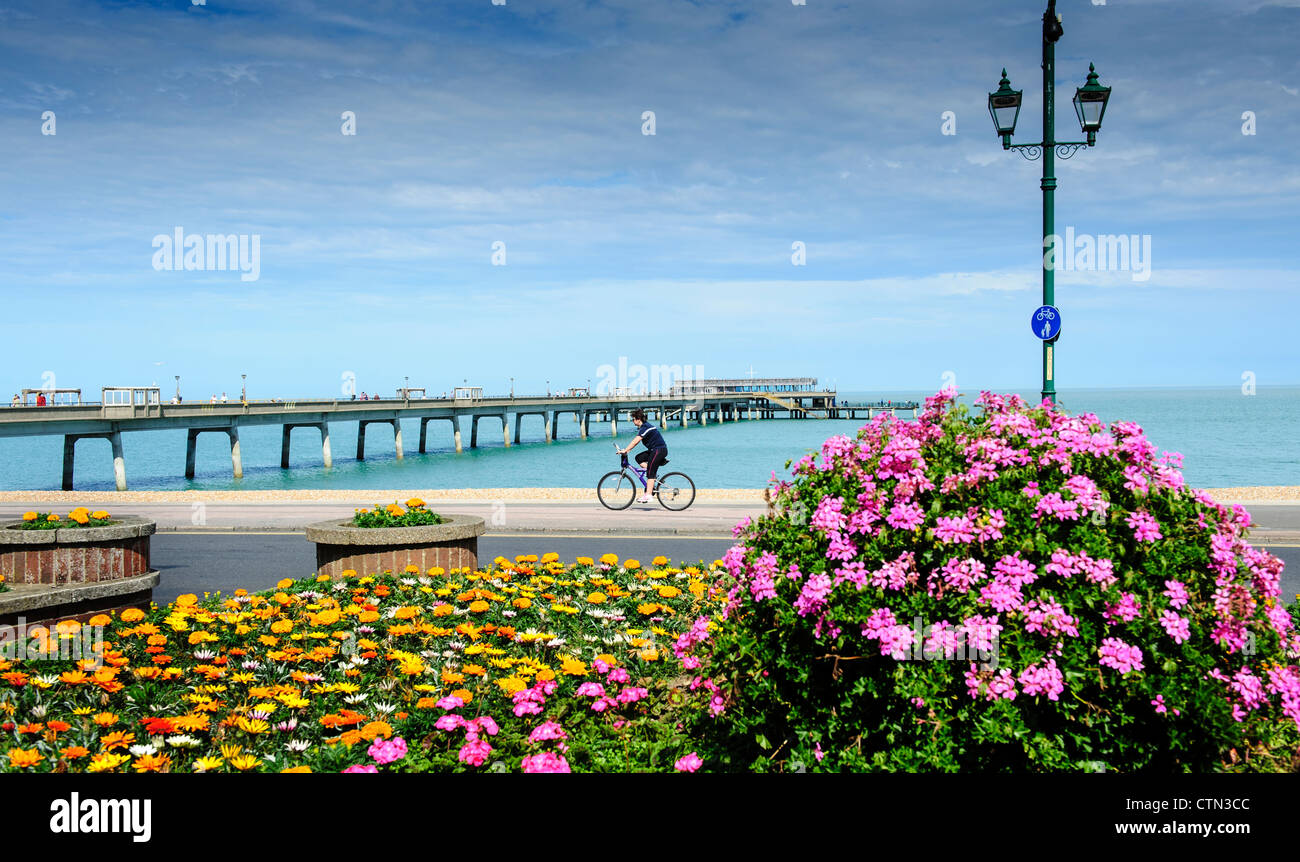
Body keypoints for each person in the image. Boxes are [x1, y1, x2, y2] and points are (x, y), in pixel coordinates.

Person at [617, 408, 668, 504]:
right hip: (655, 450)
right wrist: (627, 450)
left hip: (659, 450)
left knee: (650, 473)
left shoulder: (645, 427)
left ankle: (648, 495)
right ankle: (653, 475)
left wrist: (626, 450)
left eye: (633, 419)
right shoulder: (644, 427)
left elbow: (636, 441)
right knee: (639, 458)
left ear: (638, 419)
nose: (632, 421)